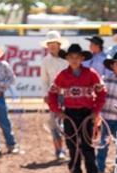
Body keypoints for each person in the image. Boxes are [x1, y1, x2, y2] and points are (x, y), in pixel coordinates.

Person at [48, 44, 107, 173]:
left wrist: (96, 111)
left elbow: (102, 92)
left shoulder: (91, 73)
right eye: (71, 57)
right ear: (67, 58)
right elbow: (52, 94)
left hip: (87, 113)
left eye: (77, 57)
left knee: (88, 146)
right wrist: (58, 111)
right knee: (72, 147)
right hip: (69, 114)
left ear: (82, 59)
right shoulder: (62, 75)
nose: (74, 60)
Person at [41, 30, 69, 161]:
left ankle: (73, 149)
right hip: (54, 96)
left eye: (54, 43)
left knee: (71, 122)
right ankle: (59, 150)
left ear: (59, 44)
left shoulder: (67, 59)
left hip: (69, 95)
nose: (52, 46)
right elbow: (44, 80)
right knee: (54, 123)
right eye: (49, 43)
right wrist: (45, 95)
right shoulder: (45, 61)